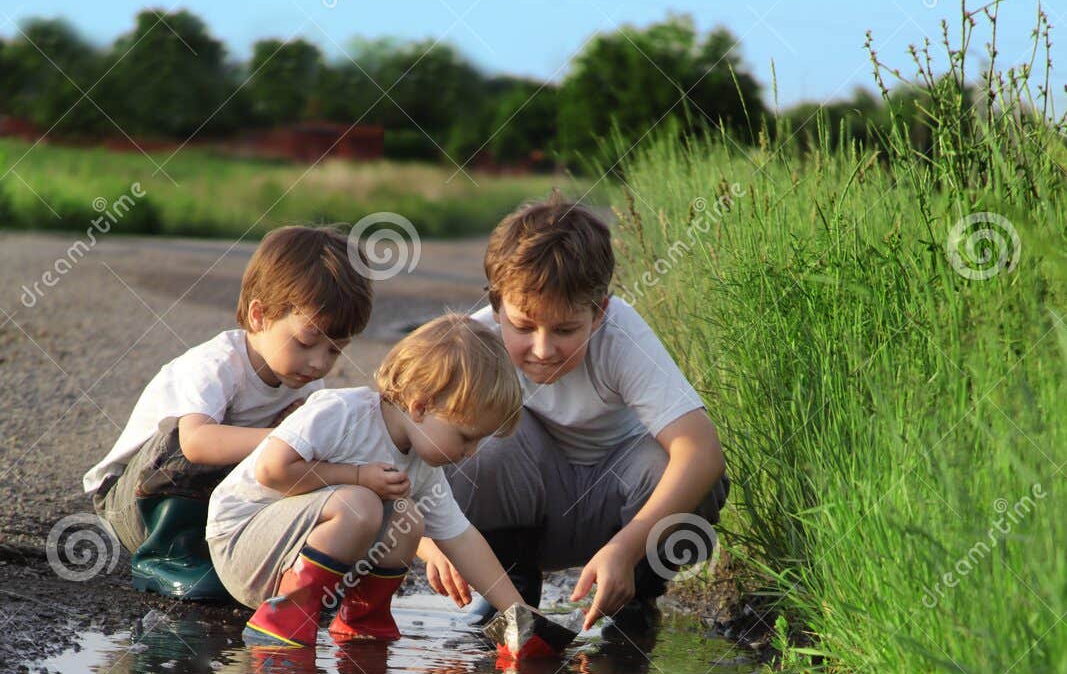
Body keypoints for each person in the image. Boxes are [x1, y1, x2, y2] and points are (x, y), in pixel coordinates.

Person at [419, 192, 730, 636]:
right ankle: (509, 596)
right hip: (529, 503)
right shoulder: (477, 342)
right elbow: (394, 444)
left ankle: (632, 600)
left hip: (616, 513)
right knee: (478, 437)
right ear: (496, 306)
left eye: (565, 330)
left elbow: (702, 452)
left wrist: (624, 550)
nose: (543, 350)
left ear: (599, 312)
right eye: (524, 327)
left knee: (683, 472)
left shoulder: (621, 334)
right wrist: (426, 542)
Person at [205, 312, 528, 649]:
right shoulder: (343, 412)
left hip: (290, 557)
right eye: (465, 437)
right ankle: (284, 617)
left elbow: (461, 539)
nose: (472, 453)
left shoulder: (422, 467)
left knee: (408, 518)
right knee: (360, 503)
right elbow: (272, 470)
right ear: (420, 406)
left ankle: (361, 622)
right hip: (241, 543)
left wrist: (519, 613)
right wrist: (356, 476)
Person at [82, 224, 371, 597]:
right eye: (306, 342)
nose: (318, 363)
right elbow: (196, 445)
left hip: (208, 505)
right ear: (259, 316)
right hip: (134, 503)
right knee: (194, 438)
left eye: (335, 350)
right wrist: (285, 439)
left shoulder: (307, 385)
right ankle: (164, 556)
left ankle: (246, 558)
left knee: (309, 451)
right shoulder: (217, 364)